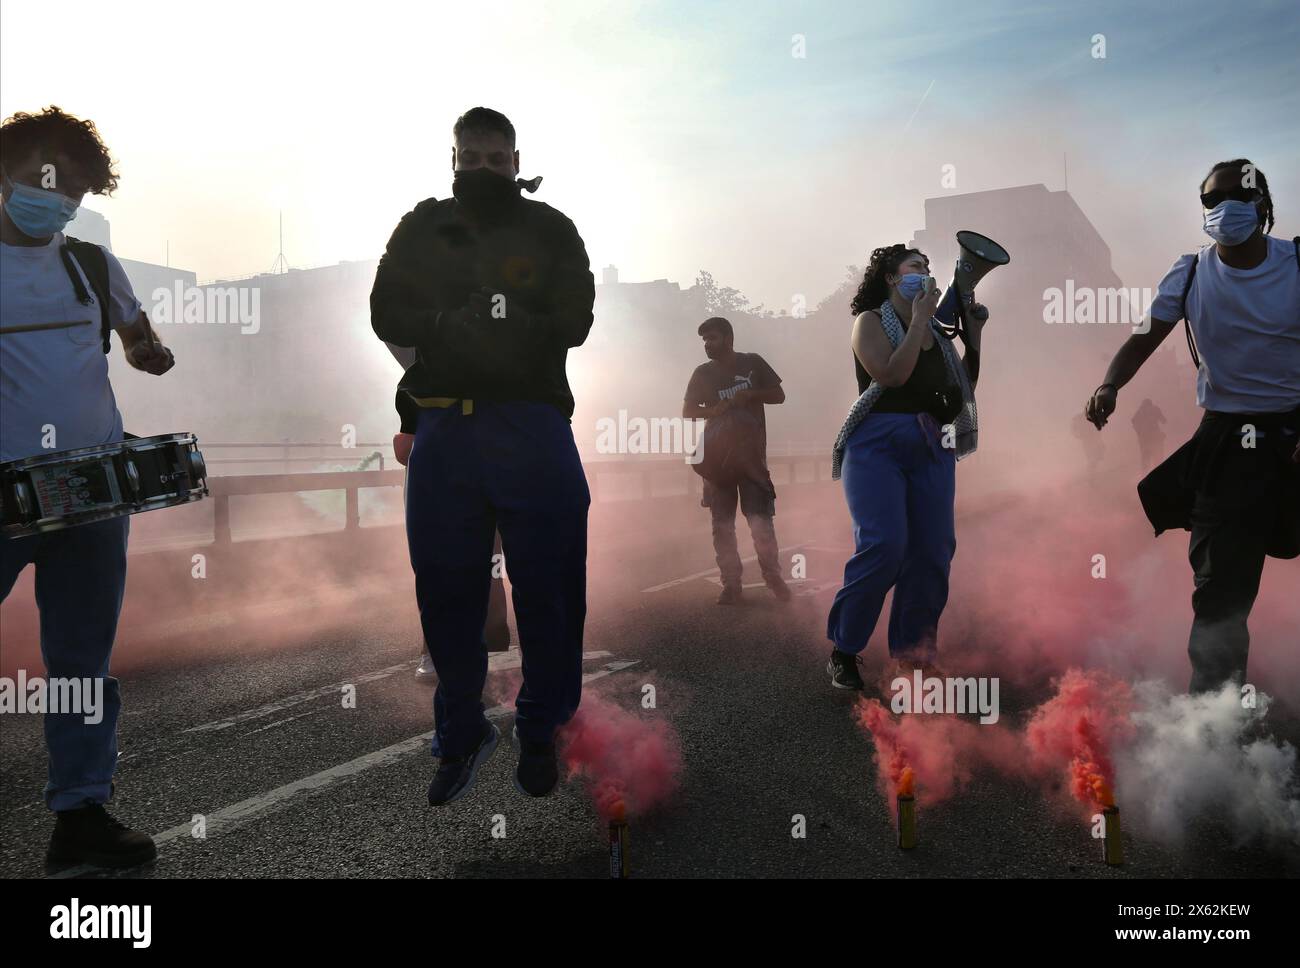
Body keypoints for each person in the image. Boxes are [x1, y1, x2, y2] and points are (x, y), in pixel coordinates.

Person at [371, 107, 594, 804]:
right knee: (445, 592)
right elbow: (386, 313)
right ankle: (462, 731)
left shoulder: (550, 227)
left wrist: (505, 320)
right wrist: (448, 324)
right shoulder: (421, 226)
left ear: (516, 159)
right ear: (454, 159)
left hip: (531, 422)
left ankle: (542, 724)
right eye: (472, 159)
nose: (485, 170)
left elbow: (576, 321)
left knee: (549, 587)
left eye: (497, 160)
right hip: (445, 427)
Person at [0, 106, 175, 867]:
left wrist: (150, 352)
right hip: (4, 497)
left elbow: (138, 341)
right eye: (45, 182)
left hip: (92, 494)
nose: (58, 199)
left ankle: (80, 816)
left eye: (73, 190)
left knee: (81, 665)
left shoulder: (92, 265)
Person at [1086, 158, 1299, 694]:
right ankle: (1214, 719)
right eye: (1210, 199)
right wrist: (1110, 384)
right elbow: (1143, 336)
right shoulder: (1190, 273)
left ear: (1263, 205)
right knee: (1220, 590)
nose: (1223, 207)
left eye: (1236, 195)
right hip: (1228, 444)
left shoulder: (1297, 264)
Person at [826, 244, 984, 690]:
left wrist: (972, 334)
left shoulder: (935, 332)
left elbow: (965, 385)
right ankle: (844, 649)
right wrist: (918, 321)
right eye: (916, 268)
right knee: (885, 547)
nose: (927, 274)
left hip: (932, 443)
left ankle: (914, 656)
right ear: (892, 279)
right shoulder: (870, 322)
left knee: (933, 552)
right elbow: (892, 376)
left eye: (929, 268)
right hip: (876, 444)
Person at [385, 344, 511, 679]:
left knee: (490, 560)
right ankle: (436, 650)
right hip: (438, 475)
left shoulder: (498, 364)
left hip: (488, 466)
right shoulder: (420, 372)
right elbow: (392, 324)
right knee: (438, 565)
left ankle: (483, 638)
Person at [683, 317, 791, 604]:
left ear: (729, 338)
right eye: (704, 339)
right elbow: (688, 411)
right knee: (722, 525)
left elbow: (779, 395)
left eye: (712, 338)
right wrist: (714, 411)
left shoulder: (752, 362)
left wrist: (750, 394)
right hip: (717, 461)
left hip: (751, 458)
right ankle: (731, 584)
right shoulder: (702, 373)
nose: (707, 344)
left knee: (761, 521)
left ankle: (773, 578)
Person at [1131, 397, 1167, 472]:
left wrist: (1139, 432)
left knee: (1145, 458)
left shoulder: (1140, 411)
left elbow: (1133, 421)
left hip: (1144, 439)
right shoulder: (1155, 409)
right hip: (1155, 437)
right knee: (1158, 456)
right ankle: (1157, 473)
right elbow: (1164, 420)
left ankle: (1145, 474)